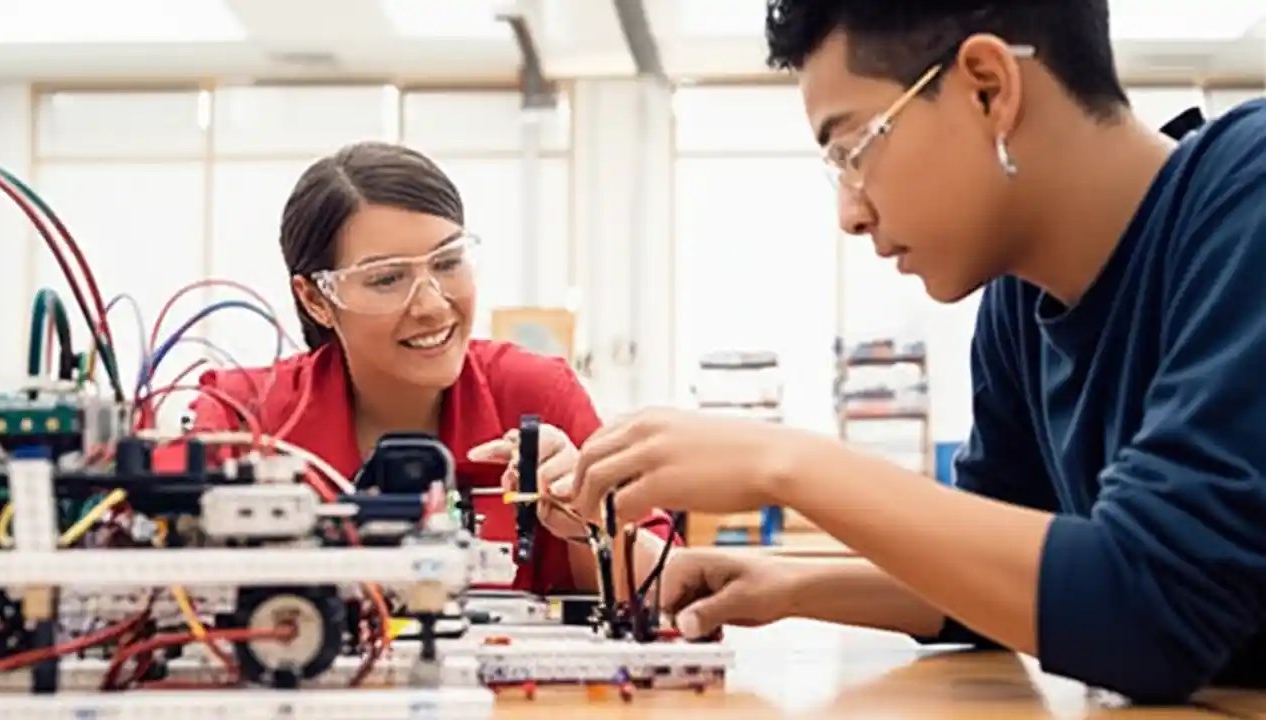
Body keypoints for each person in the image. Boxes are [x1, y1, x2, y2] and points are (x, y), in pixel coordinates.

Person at [569, 0, 1266, 704]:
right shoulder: (1019, 304)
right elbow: (999, 580)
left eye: (853, 150)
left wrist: (782, 464)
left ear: (988, 87)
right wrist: (793, 584)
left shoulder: (1250, 194)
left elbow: (1152, 607)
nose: (850, 213)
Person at [173, 141, 675, 595]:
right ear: (315, 300)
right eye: (387, 279)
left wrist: (589, 521)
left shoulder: (535, 396)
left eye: (447, 262)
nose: (433, 306)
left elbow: (666, 590)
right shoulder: (242, 418)